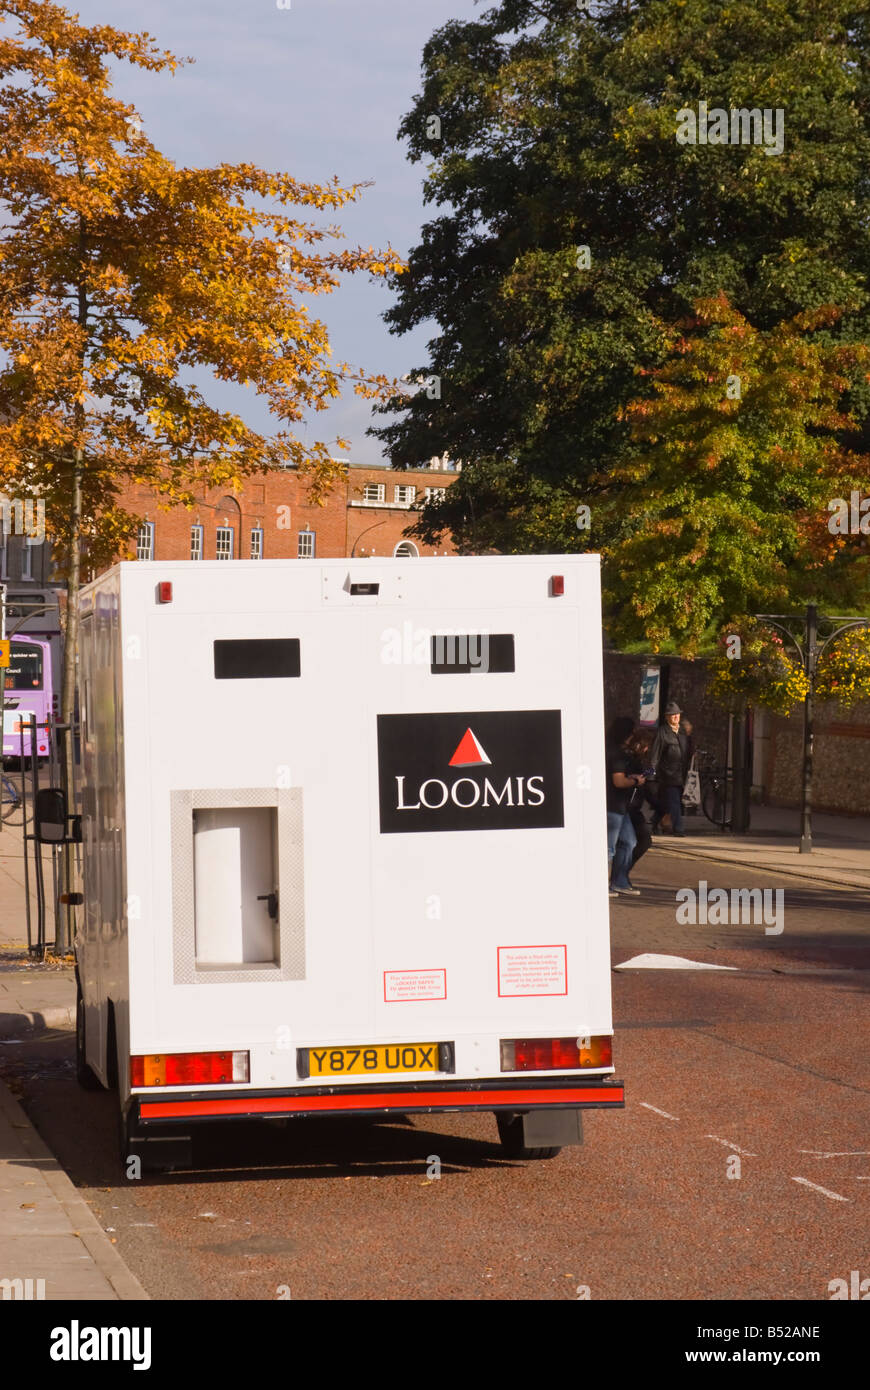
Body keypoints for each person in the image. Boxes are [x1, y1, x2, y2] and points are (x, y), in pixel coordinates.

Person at [605, 716, 643, 895]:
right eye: (631, 732)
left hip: (620, 807)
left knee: (629, 841)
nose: (632, 736)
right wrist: (635, 780)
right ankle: (602, 884)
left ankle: (619, 882)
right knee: (609, 848)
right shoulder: (617, 754)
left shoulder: (610, 749)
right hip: (613, 806)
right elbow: (619, 781)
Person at [650, 701, 688, 837]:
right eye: (672, 715)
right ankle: (678, 829)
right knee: (674, 802)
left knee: (667, 803)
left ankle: (654, 821)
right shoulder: (662, 732)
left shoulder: (683, 732)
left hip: (682, 774)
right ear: (667, 717)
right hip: (668, 775)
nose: (676, 717)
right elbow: (655, 754)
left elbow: (687, 751)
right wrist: (651, 774)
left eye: (677, 714)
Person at [623, 726, 655, 869]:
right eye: (645, 746)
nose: (647, 749)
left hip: (632, 808)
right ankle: (620, 874)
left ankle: (621, 875)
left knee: (633, 842)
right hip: (628, 808)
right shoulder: (630, 759)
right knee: (639, 841)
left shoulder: (636, 760)